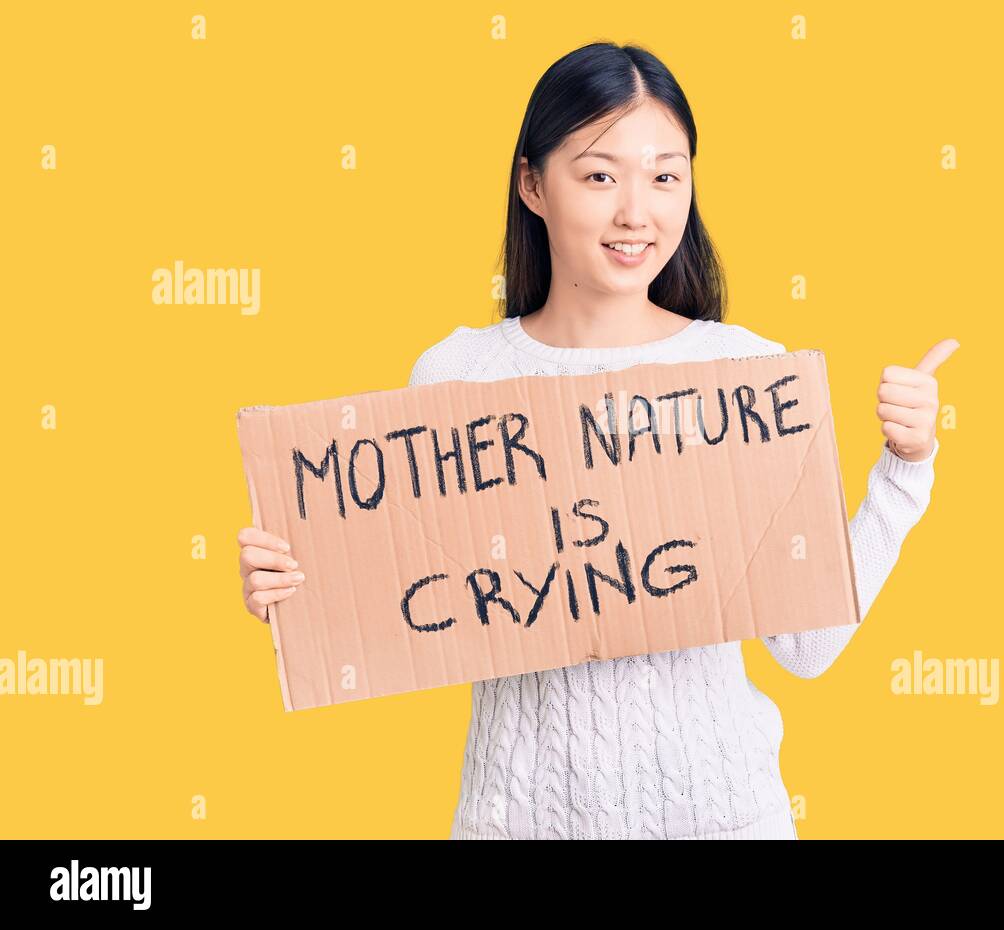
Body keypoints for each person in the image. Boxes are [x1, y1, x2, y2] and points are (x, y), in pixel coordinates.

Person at [237, 41, 958, 839]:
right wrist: (297, 594)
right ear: (533, 185)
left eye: (665, 175)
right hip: (517, 823)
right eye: (599, 174)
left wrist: (903, 472)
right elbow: (412, 607)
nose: (636, 212)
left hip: (722, 819)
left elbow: (809, 646)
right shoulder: (458, 378)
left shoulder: (739, 372)